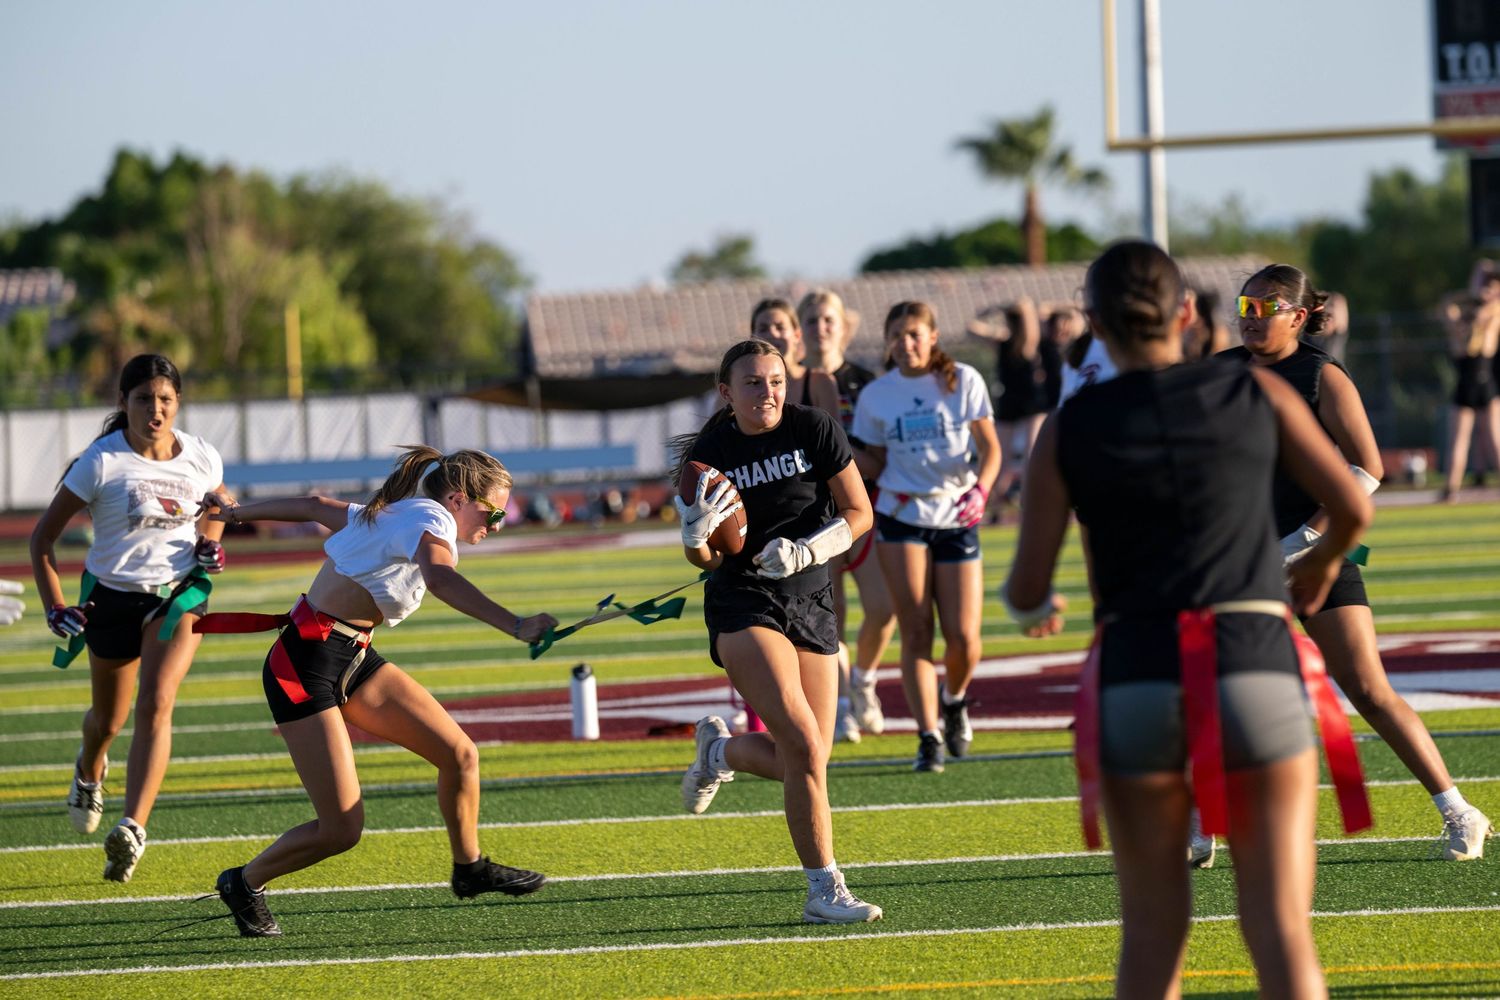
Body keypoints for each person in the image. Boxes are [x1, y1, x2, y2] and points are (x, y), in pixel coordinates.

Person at [1007, 240, 1374, 999]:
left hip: (1138, 666)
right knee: (1278, 925)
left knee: (1150, 934)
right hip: (1253, 656)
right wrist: (1322, 561)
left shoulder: (1071, 425)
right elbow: (1352, 503)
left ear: (1096, 326)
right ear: (1185, 313)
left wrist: (1043, 609)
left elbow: (1025, 588)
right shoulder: (1258, 394)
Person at [194, 446, 557, 937]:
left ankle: (469, 868)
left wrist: (237, 513)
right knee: (340, 830)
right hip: (303, 666)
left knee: (460, 756)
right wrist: (514, 624)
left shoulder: (402, 513)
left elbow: (313, 505)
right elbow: (442, 578)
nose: (496, 523)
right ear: (457, 498)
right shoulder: (431, 518)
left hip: (352, 655)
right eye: (493, 512)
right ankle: (243, 882)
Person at [1222, 263, 1492, 861]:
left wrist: (1304, 540)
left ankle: (1459, 809)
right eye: (1244, 308)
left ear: (1298, 316)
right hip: (1236, 559)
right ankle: (1200, 818)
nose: (1251, 320)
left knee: (1369, 690)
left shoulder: (1321, 373)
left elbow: (1367, 468)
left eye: (1264, 308)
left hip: (1311, 555)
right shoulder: (1218, 372)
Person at [674, 338, 881, 924]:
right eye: (752, 383)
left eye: (775, 381)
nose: (767, 392)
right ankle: (824, 889)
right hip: (743, 601)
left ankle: (718, 752)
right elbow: (707, 559)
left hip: (811, 594)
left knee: (811, 759)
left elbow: (859, 513)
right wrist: (695, 537)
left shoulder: (813, 427)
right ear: (725, 392)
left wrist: (807, 549)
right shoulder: (710, 450)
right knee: (804, 744)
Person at [29, 354, 229, 883]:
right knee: (107, 721)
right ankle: (88, 766)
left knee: (157, 701)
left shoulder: (203, 456)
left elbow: (216, 504)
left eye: (165, 399)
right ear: (123, 403)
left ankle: (133, 827)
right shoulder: (99, 462)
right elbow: (42, 540)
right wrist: (55, 605)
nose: (155, 410)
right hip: (111, 600)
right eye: (143, 399)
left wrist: (210, 543)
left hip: (179, 598)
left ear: (178, 403)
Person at [853, 302, 1001, 772]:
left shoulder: (963, 379)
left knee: (964, 639)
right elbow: (873, 462)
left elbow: (991, 449)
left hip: (958, 514)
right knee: (916, 630)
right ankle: (928, 735)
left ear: (933, 336)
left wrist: (982, 490)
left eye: (914, 334)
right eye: (896, 335)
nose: (905, 343)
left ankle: (954, 699)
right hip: (901, 515)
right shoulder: (877, 395)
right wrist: (840, 452)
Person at [799, 288, 896, 743]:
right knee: (830, 613)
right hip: (814, 514)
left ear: (843, 325)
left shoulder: (866, 382)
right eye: (813, 320)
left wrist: (836, 447)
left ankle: (864, 679)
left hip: (863, 508)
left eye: (828, 319)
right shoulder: (788, 383)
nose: (821, 327)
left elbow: (879, 458)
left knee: (883, 608)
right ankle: (839, 705)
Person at [967, 297, 1046, 502]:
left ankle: (1030, 498)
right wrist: (994, 309)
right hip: (1009, 403)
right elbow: (971, 329)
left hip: (1032, 404)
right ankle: (992, 500)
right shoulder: (1002, 342)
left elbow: (1026, 306)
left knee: (1032, 455)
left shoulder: (1030, 343)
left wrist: (999, 308)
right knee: (999, 457)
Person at [1438, 267, 1500, 501]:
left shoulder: (1492, 314)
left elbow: (1490, 308)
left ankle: (1452, 489)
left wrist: (1487, 293)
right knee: (1458, 441)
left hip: (1484, 381)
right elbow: (1447, 304)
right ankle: (1451, 489)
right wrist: (1472, 294)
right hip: (1466, 383)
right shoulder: (1460, 319)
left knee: (1495, 440)